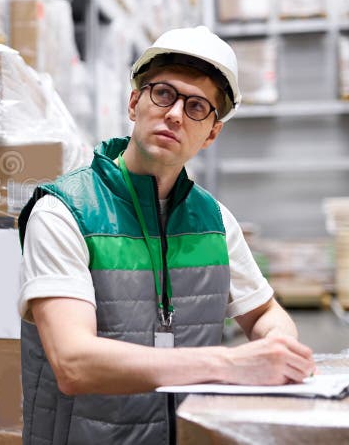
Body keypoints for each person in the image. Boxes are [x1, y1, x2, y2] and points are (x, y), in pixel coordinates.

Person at [17, 26, 316, 444]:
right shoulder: (65, 212)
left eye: (196, 107)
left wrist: (277, 348)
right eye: (163, 94)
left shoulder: (214, 221)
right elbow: (73, 362)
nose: (175, 114)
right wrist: (230, 365)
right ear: (134, 103)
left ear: (211, 133)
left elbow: (265, 312)